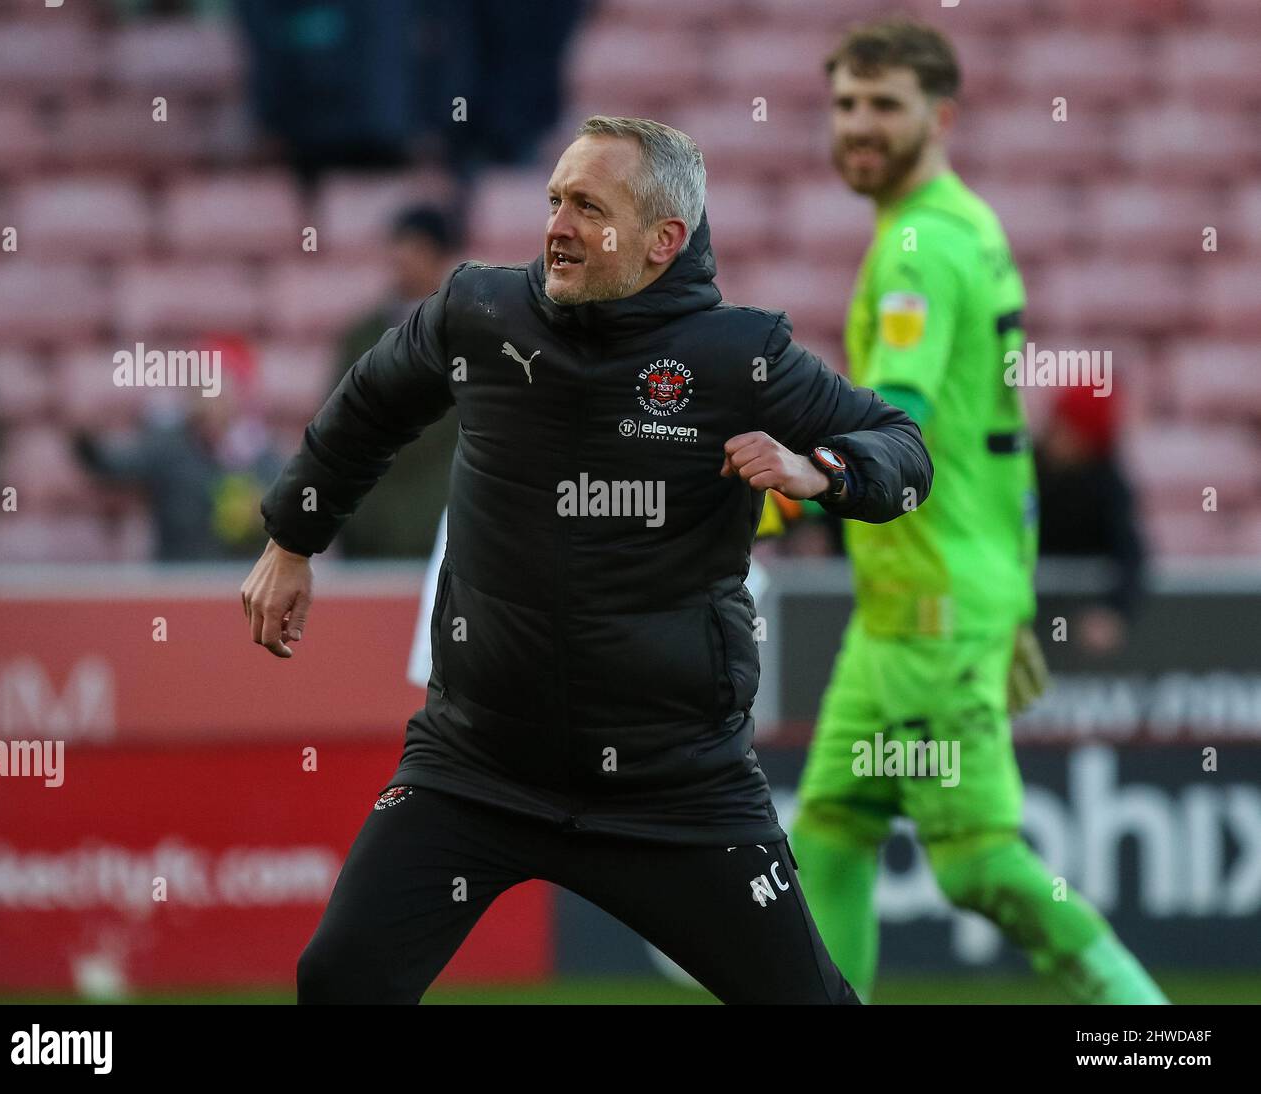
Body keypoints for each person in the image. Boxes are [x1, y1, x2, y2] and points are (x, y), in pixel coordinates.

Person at [241, 115, 932, 1005]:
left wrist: (824, 470)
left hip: (675, 785)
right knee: (338, 979)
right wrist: (294, 538)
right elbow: (371, 403)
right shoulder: (480, 313)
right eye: (555, 199)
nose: (556, 224)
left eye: (588, 207)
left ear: (662, 241)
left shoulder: (737, 357)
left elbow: (903, 447)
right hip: (476, 766)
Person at [789, 19, 1168, 1004]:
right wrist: (1008, 588)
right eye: (844, 106)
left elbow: (904, 412)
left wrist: (809, 477)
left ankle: (1147, 1021)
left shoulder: (916, 250)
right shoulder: (968, 225)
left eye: (883, 106)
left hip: (930, 610)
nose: (858, 126)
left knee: (975, 864)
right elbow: (997, 443)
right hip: (916, 604)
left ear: (940, 116)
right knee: (829, 827)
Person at [75, 335, 283, 560]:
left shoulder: (265, 461)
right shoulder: (169, 447)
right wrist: (84, 434)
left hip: (238, 586)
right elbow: (109, 465)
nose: (206, 398)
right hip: (176, 584)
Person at [332, 207, 461, 559]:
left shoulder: (468, 334)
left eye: (415, 248)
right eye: (399, 246)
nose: (402, 258)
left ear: (440, 257)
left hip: (444, 529)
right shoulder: (362, 337)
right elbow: (337, 425)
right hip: (369, 530)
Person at [1035, 381, 1146, 654]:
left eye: (1070, 430)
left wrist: (1114, 610)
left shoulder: (1107, 485)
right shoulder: (1026, 469)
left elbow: (1132, 552)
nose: (1058, 437)